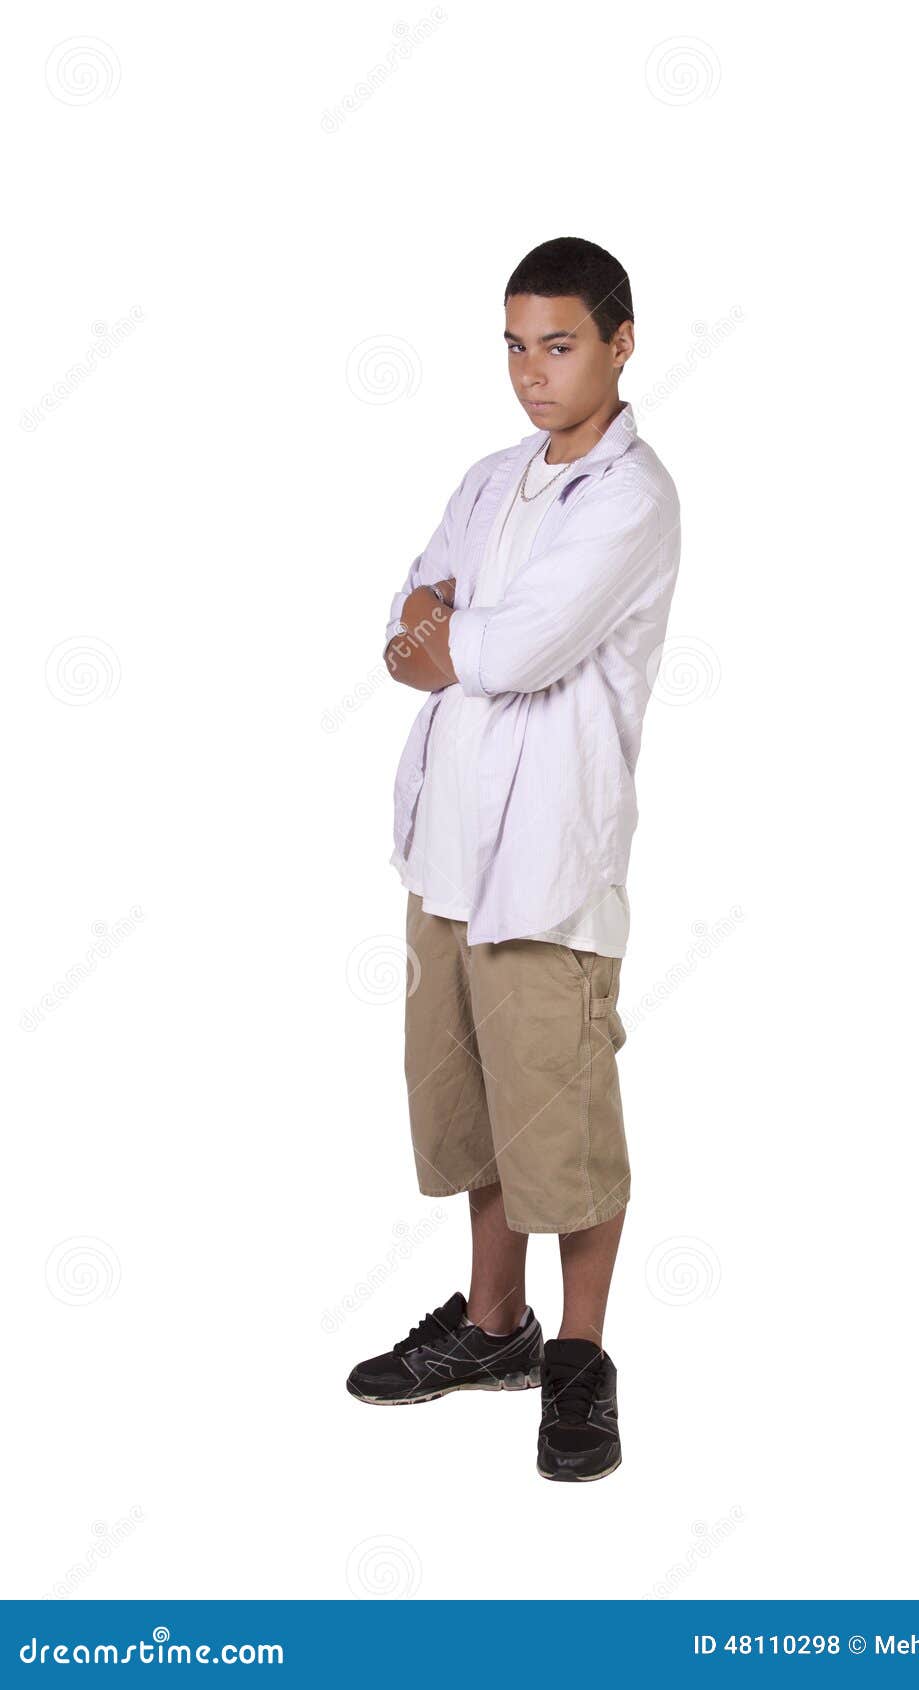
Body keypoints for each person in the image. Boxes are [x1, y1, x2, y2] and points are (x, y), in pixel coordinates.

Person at [347, 236, 681, 1482]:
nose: (531, 372)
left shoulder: (635, 499)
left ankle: (578, 1362)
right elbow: (402, 622)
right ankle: (493, 1326)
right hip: (443, 854)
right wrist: (435, 631)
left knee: (563, 1121)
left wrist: (453, 634)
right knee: (472, 1106)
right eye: (513, 345)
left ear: (618, 342)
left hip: (547, 862)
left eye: (557, 345)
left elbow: (525, 645)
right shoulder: (490, 480)